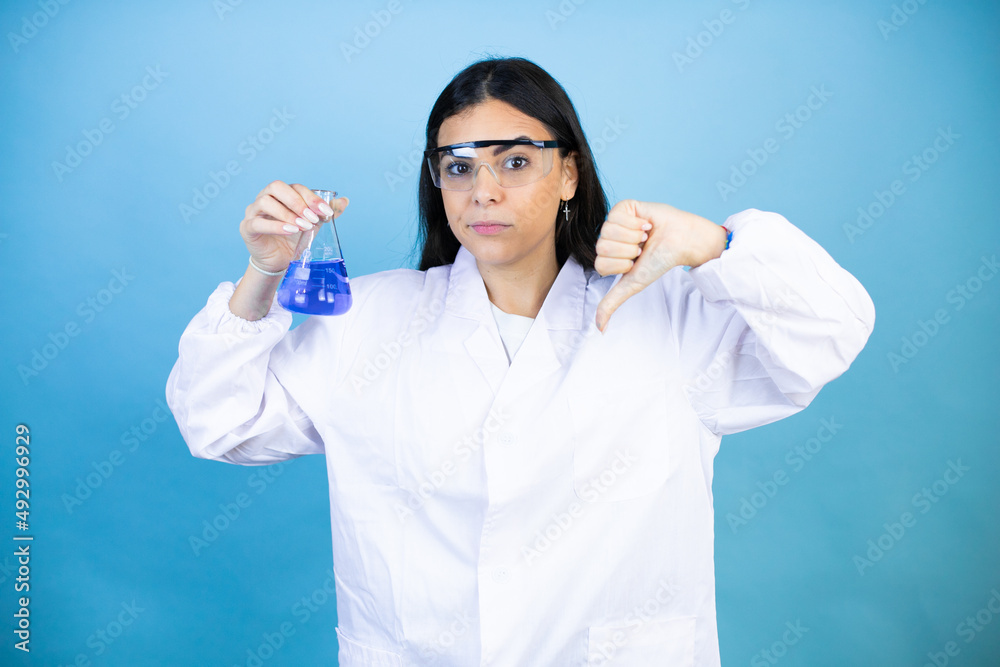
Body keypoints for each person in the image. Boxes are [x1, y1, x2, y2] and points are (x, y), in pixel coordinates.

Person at [166, 56, 875, 666]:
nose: (484, 192)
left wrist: (716, 242)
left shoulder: (671, 321)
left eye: (514, 161)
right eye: (459, 167)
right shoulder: (366, 322)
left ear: (569, 172)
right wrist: (263, 271)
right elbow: (219, 423)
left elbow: (831, 330)